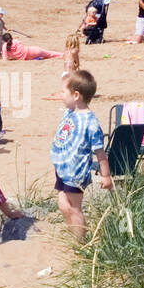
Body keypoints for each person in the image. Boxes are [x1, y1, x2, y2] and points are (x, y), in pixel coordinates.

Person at [51, 70, 111, 242]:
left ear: (76, 95)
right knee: (63, 206)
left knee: (74, 207)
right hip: (63, 169)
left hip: (76, 173)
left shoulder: (91, 123)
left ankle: (81, 242)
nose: (61, 96)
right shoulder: (70, 112)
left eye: (63, 92)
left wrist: (105, 176)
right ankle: (74, 235)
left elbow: (100, 152)